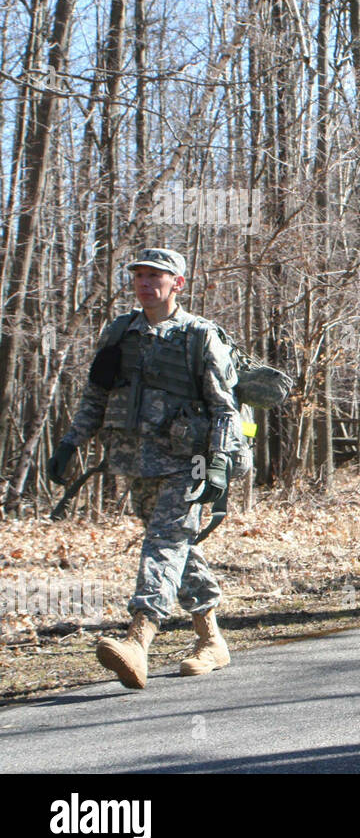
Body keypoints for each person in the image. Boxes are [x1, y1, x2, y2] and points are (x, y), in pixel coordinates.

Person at [48, 248, 243, 688]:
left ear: (177, 283)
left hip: (188, 462)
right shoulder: (120, 333)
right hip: (136, 460)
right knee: (176, 548)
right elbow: (97, 395)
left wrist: (217, 463)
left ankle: (139, 638)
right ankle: (211, 640)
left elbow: (224, 408)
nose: (145, 282)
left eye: (156, 276)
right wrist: (70, 442)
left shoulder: (198, 335)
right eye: (138, 275)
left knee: (163, 542)